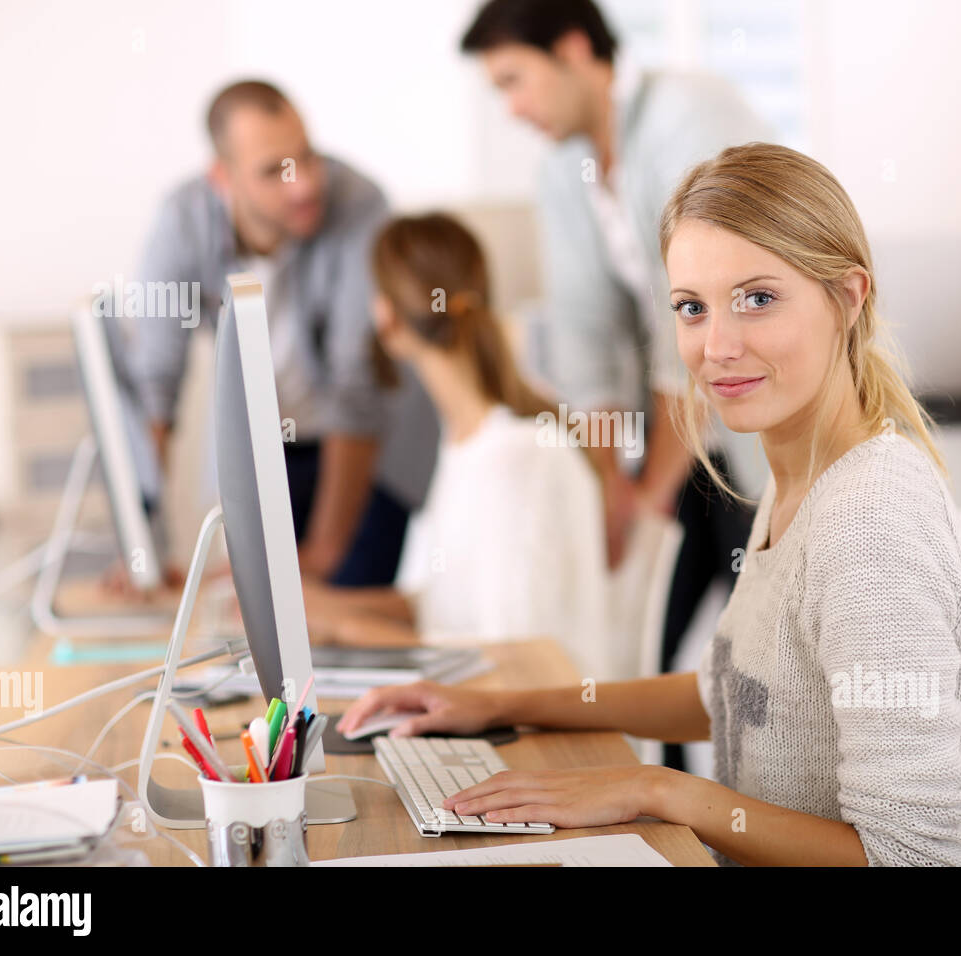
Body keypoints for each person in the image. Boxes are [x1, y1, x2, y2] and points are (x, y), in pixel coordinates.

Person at [336, 144, 961, 867]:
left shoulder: (869, 519)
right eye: (692, 308)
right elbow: (738, 691)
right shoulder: (804, 481)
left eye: (757, 298)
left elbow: (919, 858)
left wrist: (661, 791)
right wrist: (500, 708)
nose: (716, 345)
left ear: (848, 298)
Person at [460, 0, 772, 769]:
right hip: (688, 440)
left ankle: (743, 826)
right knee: (644, 644)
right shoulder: (565, 169)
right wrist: (610, 481)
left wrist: (652, 488)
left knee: (765, 664)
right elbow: (586, 341)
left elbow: (705, 325)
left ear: (573, 50)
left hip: (757, 428)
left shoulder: (687, 120)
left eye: (514, 80)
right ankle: (654, 813)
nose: (513, 108)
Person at [129, 79, 437, 587]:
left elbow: (355, 383)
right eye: (274, 171)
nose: (305, 185)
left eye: (307, 157)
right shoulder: (181, 223)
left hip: (371, 445)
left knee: (344, 605)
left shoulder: (359, 204)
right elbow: (156, 386)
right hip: (275, 443)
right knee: (265, 614)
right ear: (221, 177)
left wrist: (324, 551)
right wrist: (142, 544)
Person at [311, 213, 613, 679]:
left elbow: (507, 661)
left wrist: (349, 629)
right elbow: (441, 603)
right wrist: (320, 607)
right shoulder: (464, 442)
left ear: (385, 314)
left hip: (541, 737)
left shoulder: (516, 456)